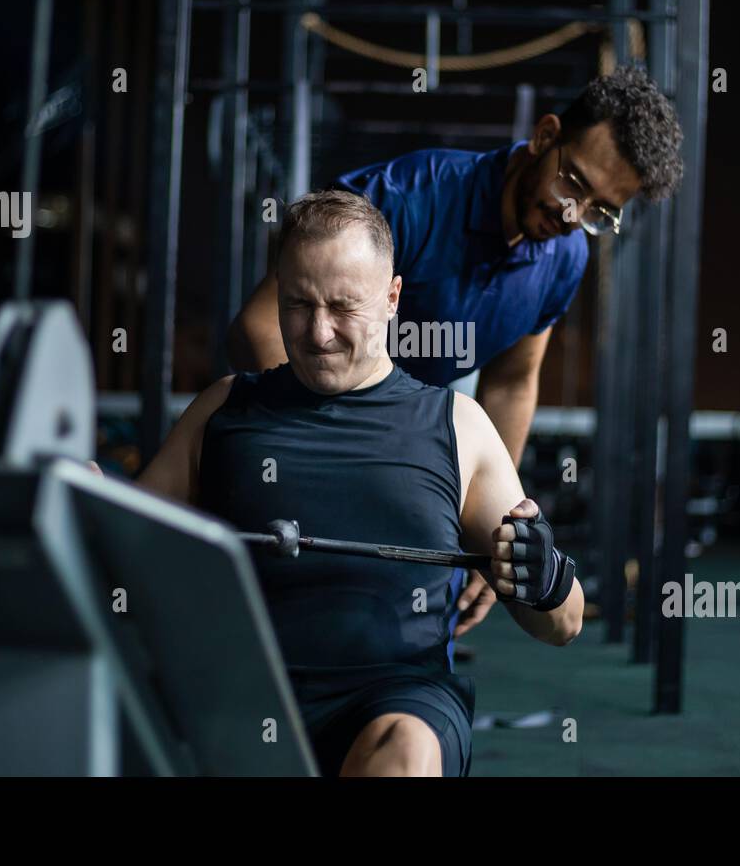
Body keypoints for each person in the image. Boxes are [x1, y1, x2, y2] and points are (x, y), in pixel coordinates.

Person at [226, 65, 683, 639]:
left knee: (399, 635)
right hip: (309, 423)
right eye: (573, 182)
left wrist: (499, 524)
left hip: (411, 438)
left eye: (597, 210)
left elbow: (514, 382)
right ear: (544, 137)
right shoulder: (405, 199)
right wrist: (321, 448)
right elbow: (258, 325)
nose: (572, 213)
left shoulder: (565, 258)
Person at [139, 191, 583, 776]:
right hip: (241, 693)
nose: (318, 332)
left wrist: (539, 575)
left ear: (392, 298)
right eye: (298, 304)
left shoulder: (456, 425)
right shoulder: (224, 408)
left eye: (343, 306)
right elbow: (126, 543)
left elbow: (563, 624)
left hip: (394, 698)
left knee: (406, 752)